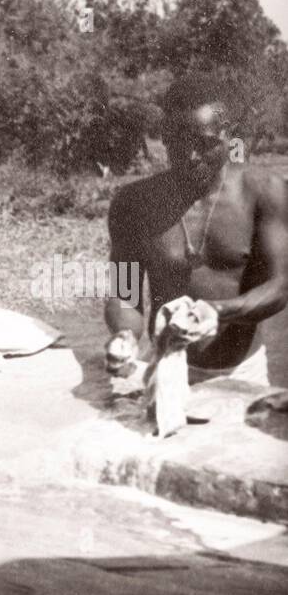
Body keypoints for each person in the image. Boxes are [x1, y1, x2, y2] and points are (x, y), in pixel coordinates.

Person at [104, 75, 288, 385]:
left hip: (241, 373)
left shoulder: (265, 192)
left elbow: (280, 286)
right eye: (178, 142)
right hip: (163, 366)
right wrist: (124, 336)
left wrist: (219, 311)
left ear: (229, 136)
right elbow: (124, 292)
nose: (191, 156)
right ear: (164, 136)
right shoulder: (132, 203)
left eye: (205, 143)